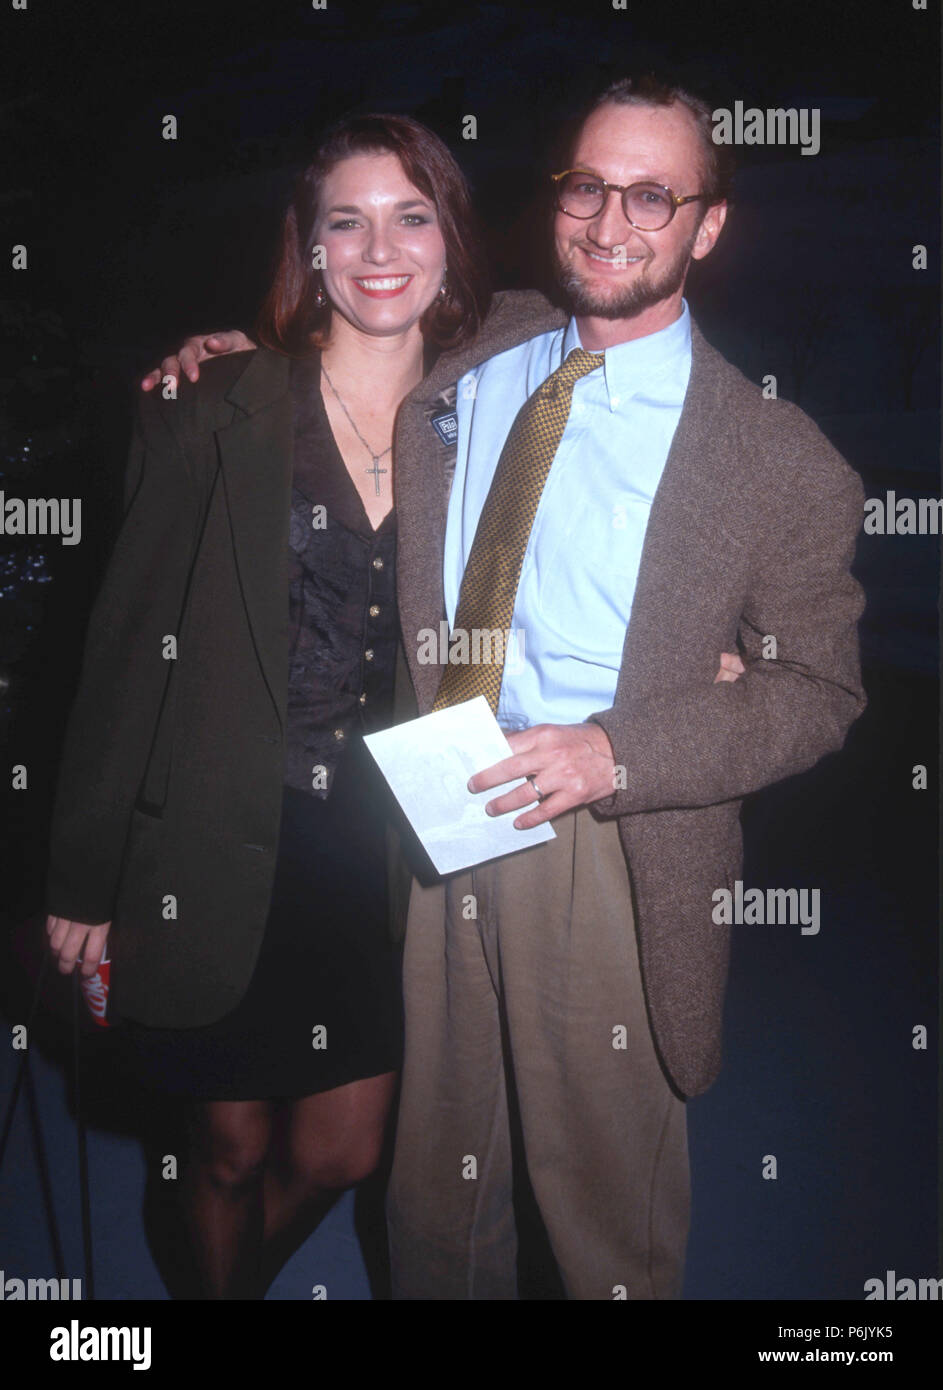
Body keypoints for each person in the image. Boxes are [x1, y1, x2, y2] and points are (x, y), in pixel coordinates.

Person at [142, 78, 836, 1303]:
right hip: (430, 806)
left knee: (599, 1208)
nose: (610, 221)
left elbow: (816, 691)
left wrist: (617, 749)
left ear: (707, 224)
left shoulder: (779, 461)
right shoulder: (486, 347)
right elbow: (361, 325)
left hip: (604, 842)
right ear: (555, 193)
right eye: (586, 185)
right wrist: (243, 354)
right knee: (433, 1194)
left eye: (652, 195)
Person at [43, 112, 491, 1299]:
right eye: (346, 220)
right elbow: (128, 645)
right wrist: (87, 881)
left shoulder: (486, 412)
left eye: (412, 216)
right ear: (312, 247)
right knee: (225, 1150)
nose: (380, 247)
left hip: (383, 853)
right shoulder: (216, 403)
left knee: (343, 1148)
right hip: (214, 835)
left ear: (451, 241)